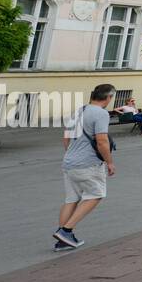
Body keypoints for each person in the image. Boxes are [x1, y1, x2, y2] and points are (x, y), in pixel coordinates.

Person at [54, 84, 117, 251]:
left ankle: (62, 240)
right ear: (108, 97)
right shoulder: (101, 114)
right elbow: (102, 141)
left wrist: (72, 155)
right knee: (96, 195)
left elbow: (66, 138)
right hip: (87, 165)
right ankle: (66, 232)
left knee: (71, 199)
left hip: (69, 163)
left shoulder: (79, 111)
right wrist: (109, 162)